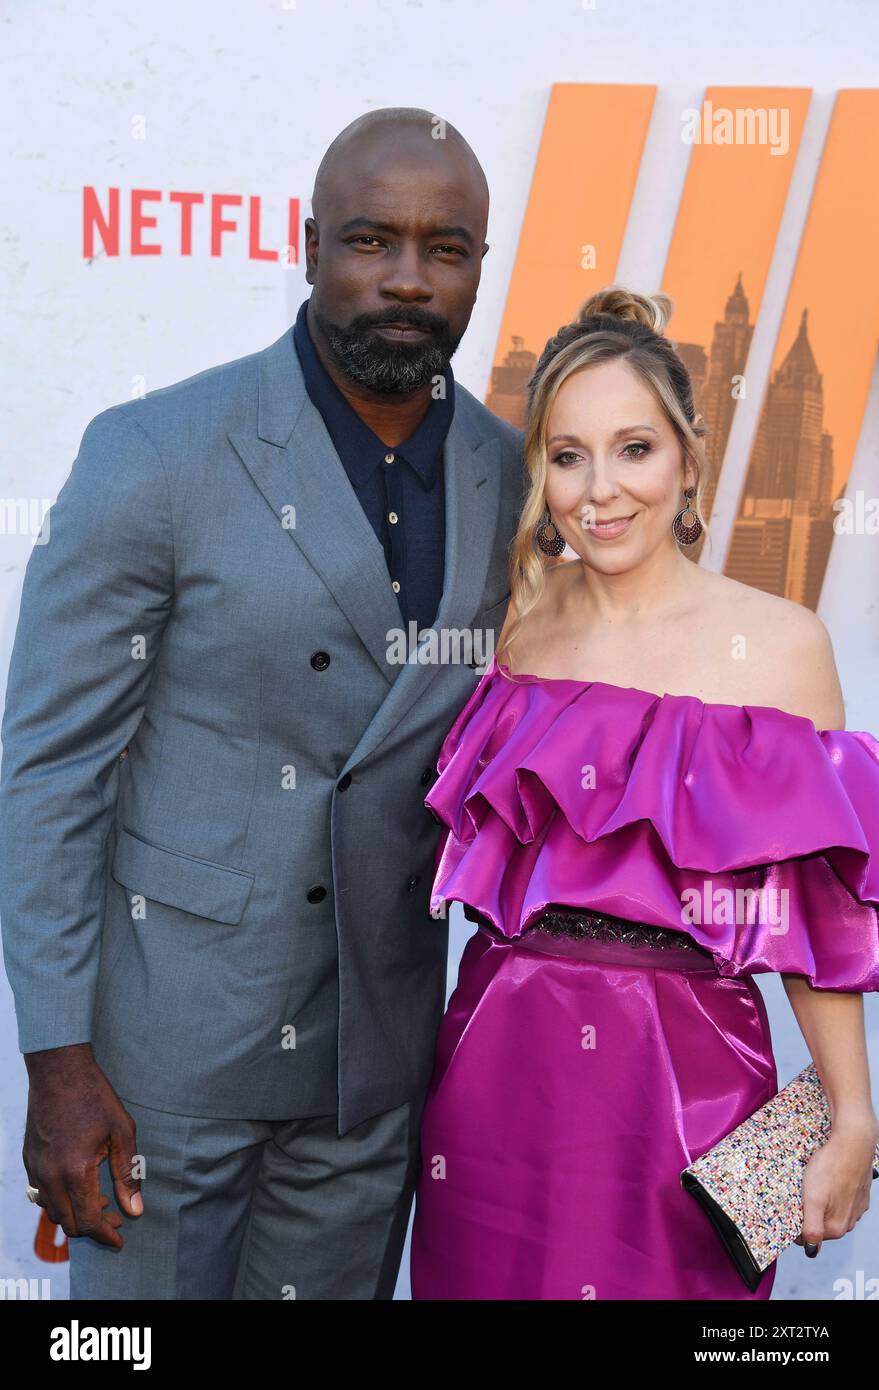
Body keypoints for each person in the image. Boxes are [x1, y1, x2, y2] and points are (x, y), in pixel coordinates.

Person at [0, 106, 523, 1300]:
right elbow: (51, 770)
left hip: (372, 1066)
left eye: (445, 249)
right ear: (305, 246)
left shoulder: (516, 470)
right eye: (369, 240)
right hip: (162, 1067)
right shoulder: (158, 451)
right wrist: (58, 1059)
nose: (406, 278)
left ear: (480, 268)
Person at [410, 286, 879, 1300]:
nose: (600, 490)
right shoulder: (513, 635)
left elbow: (817, 911)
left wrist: (852, 1113)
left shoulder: (783, 648)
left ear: (689, 462)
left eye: (635, 449)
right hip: (492, 1075)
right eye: (568, 455)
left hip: (688, 1081)